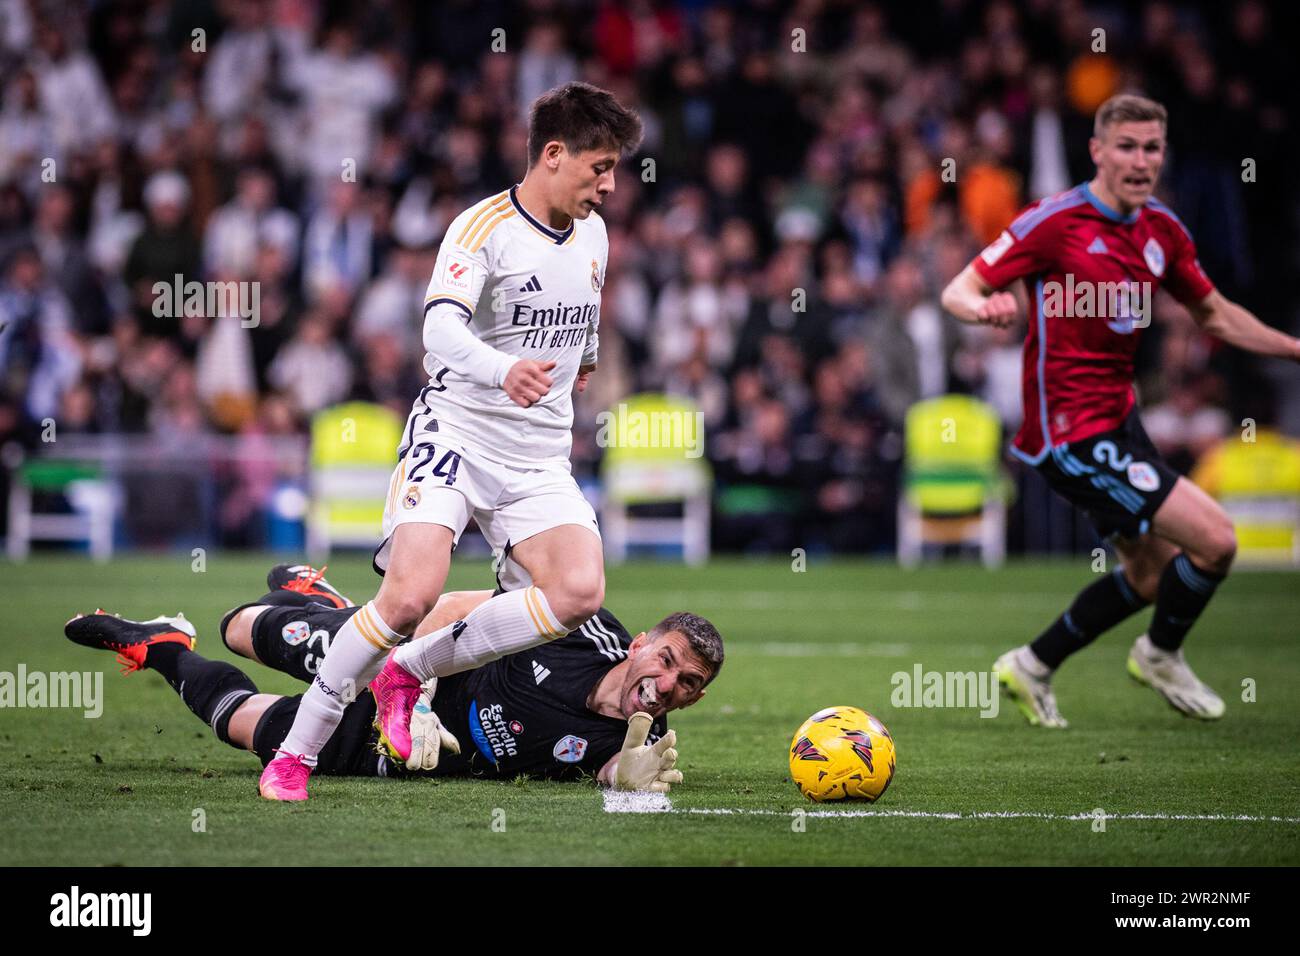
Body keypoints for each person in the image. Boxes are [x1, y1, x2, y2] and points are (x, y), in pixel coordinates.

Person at [259, 82, 643, 799]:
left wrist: (583, 359)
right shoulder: (482, 227)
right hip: (457, 436)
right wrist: (505, 370)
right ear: (554, 154)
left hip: (537, 456)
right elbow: (438, 330)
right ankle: (298, 752)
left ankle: (414, 669)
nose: (610, 185)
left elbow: (584, 308)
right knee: (408, 597)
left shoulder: (594, 232)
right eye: (600, 167)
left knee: (580, 591)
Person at [941, 93, 1300, 727]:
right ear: (1098, 151)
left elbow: (1215, 314)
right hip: (1068, 434)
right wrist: (984, 308)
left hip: (1119, 421)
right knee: (1216, 541)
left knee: (1152, 574)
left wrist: (1292, 347)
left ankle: (1032, 664)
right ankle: (1161, 653)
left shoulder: (1162, 231)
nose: (1140, 160)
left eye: (1152, 148)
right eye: (1127, 146)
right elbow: (960, 288)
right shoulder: (1054, 221)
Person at [64, 565, 722, 790]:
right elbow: (456, 607)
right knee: (240, 624)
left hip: (413, 755)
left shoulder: (641, 742)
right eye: (665, 660)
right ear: (639, 645)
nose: (667, 685)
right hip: (407, 668)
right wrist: (421, 689)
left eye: (688, 684)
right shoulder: (581, 623)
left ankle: (160, 647)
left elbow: (613, 775)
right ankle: (319, 603)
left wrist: (627, 784)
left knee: (243, 727)